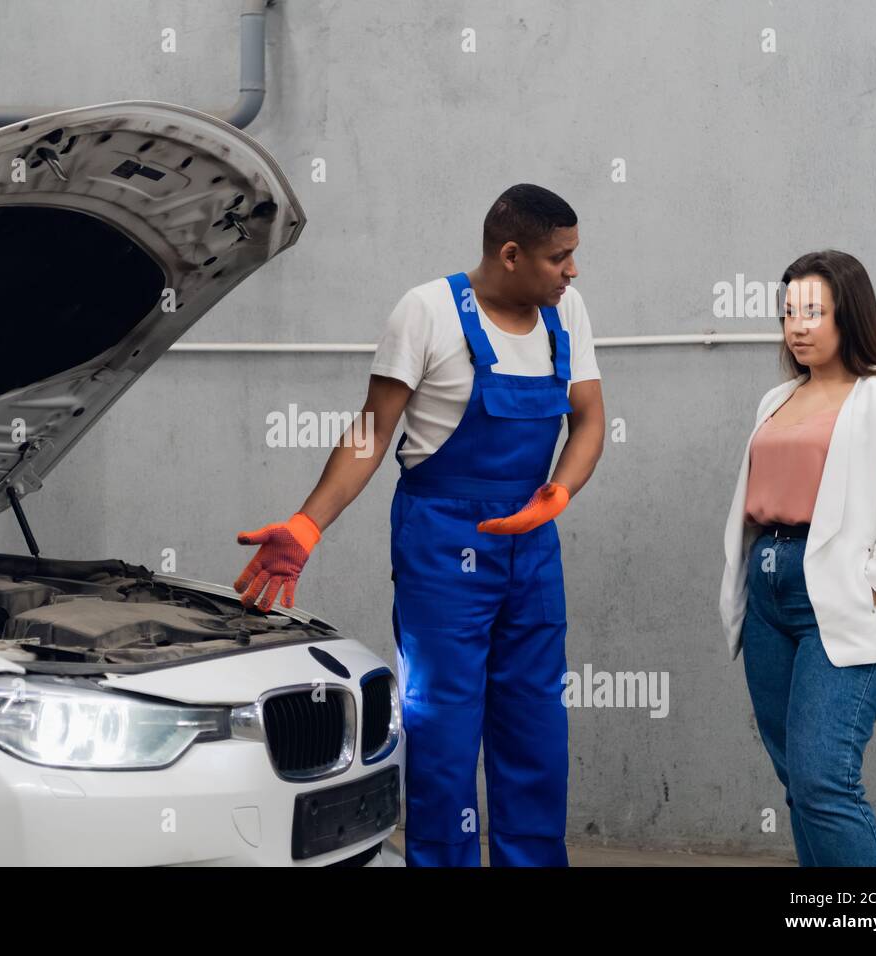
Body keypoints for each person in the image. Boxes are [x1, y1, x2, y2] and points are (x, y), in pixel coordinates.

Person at [233, 184, 605, 866]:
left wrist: (559, 492)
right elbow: (373, 433)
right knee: (443, 733)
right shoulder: (428, 311)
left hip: (532, 538)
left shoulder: (566, 312)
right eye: (561, 258)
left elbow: (589, 418)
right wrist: (309, 526)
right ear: (512, 254)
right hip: (444, 541)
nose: (573, 271)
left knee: (535, 730)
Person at [718, 250, 876, 866]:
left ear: (849, 313)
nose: (797, 325)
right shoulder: (775, 399)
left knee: (825, 782)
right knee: (798, 783)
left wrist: (870, 585)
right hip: (769, 594)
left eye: (813, 311)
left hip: (837, 597)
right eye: (788, 311)